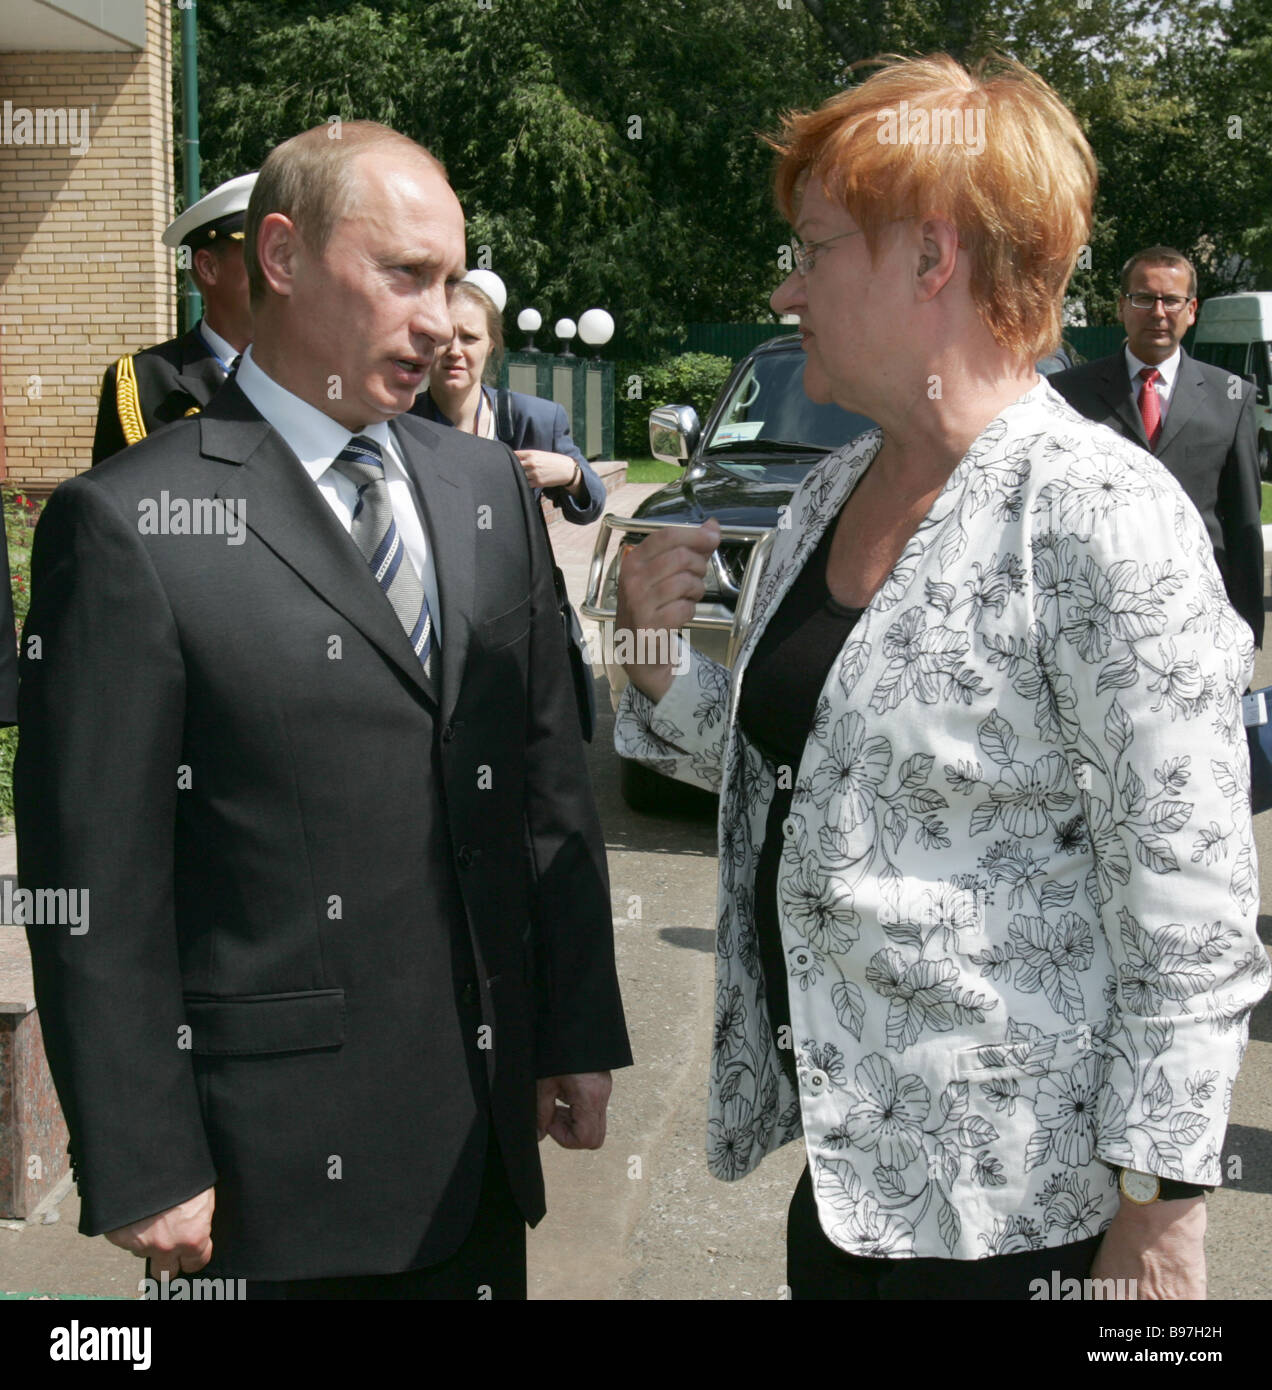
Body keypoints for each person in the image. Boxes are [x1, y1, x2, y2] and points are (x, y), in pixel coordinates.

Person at [614, 54, 1268, 1300]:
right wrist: (655, 668)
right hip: (858, 1193)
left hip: (1029, 1226)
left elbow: (1189, 907)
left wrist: (1161, 1210)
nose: (784, 285)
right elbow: (824, 777)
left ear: (932, 258)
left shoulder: (1096, 516)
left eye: (814, 248)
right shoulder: (826, 496)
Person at [18, 120, 631, 1299]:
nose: (443, 318)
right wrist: (141, 1153)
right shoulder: (130, 526)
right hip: (265, 1183)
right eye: (404, 274)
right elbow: (95, 875)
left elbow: (548, 784)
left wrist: (577, 1029)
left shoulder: (481, 493)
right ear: (282, 257)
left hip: (480, 1153)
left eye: (452, 281)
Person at [1052, 248, 1263, 644]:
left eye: (1172, 300)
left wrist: (1249, 635)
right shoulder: (1066, 394)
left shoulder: (1231, 399)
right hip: (1092, 622)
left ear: (1192, 309)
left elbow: (1243, 528)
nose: (1158, 312)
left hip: (1199, 623)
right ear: (1121, 307)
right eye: (1144, 298)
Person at [91, 172, 257, 464]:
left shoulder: (316, 370)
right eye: (260, 254)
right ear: (208, 268)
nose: (281, 269)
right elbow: (113, 503)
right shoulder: (144, 383)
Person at [411, 279, 607, 525]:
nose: (455, 350)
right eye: (444, 337)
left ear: (490, 346)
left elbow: (592, 507)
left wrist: (571, 473)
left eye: (470, 337)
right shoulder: (399, 423)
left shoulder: (534, 420)